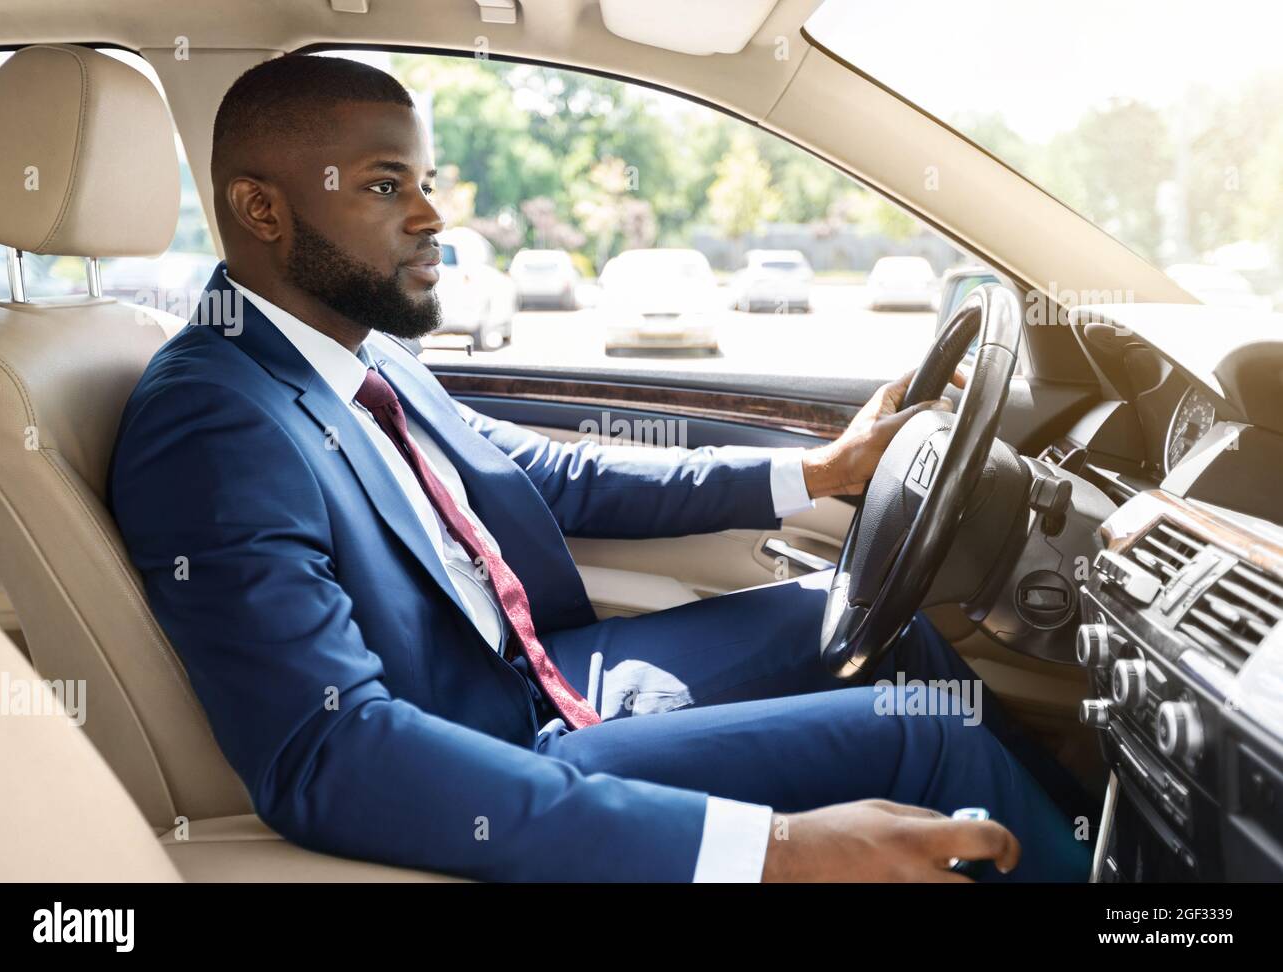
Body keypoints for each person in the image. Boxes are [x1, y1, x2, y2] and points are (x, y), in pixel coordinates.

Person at [109, 54, 1092, 883]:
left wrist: (820, 471)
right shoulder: (212, 422)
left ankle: (1098, 854)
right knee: (924, 732)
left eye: (425, 181)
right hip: (493, 741)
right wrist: (773, 850)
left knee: (889, 631)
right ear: (260, 209)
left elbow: (550, 472)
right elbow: (329, 754)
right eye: (384, 185)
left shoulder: (360, 354)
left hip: (550, 669)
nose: (432, 216)